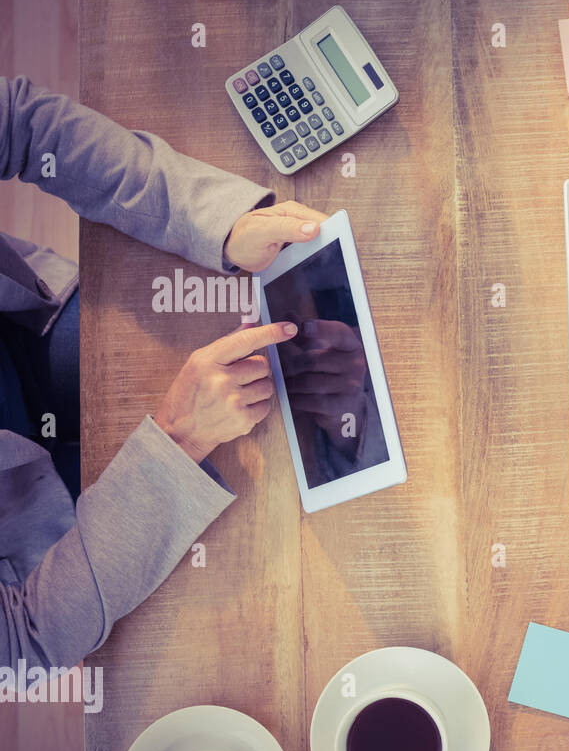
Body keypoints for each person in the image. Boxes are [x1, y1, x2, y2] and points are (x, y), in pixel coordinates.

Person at [0, 76, 328, 667]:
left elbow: (24, 127)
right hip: (45, 552)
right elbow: (23, 642)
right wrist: (179, 438)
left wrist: (220, 222)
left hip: (26, 328)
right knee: (270, 537)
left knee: (264, 372)